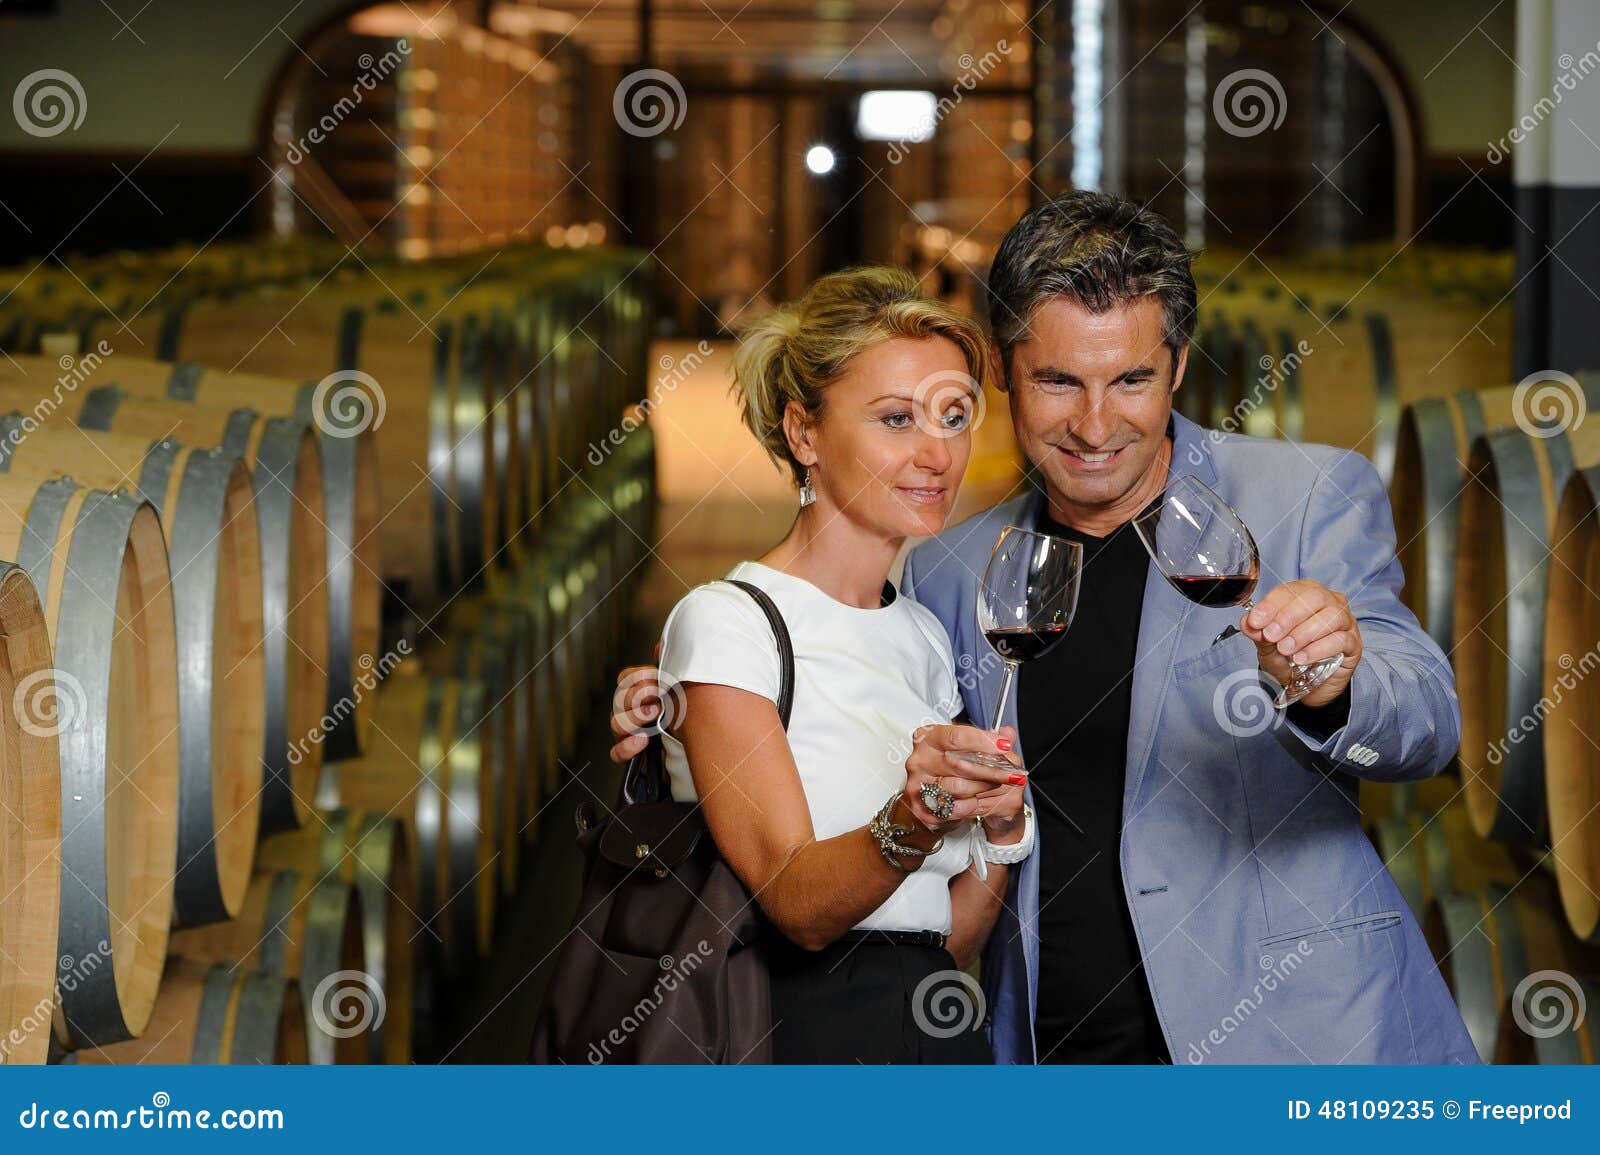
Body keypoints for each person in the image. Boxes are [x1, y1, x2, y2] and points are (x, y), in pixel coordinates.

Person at [612, 191, 1478, 1066]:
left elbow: (1430, 726)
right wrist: (676, 721)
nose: (1096, 425)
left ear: (1176, 367)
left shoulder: (1302, 498)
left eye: (1131, 380)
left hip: (1293, 1040)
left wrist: (1333, 686)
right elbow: (852, 723)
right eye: (1059, 381)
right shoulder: (950, 567)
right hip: (1050, 1046)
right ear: (1004, 369)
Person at [643, 265, 1033, 1064]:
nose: (937, 453)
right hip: (796, 1038)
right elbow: (800, 905)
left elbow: (941, 938)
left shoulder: (923, 634)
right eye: (896, 419)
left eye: (953, 416)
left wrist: (999, 831)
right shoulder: (729, 624)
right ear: (804, 432)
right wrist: (920, 813)